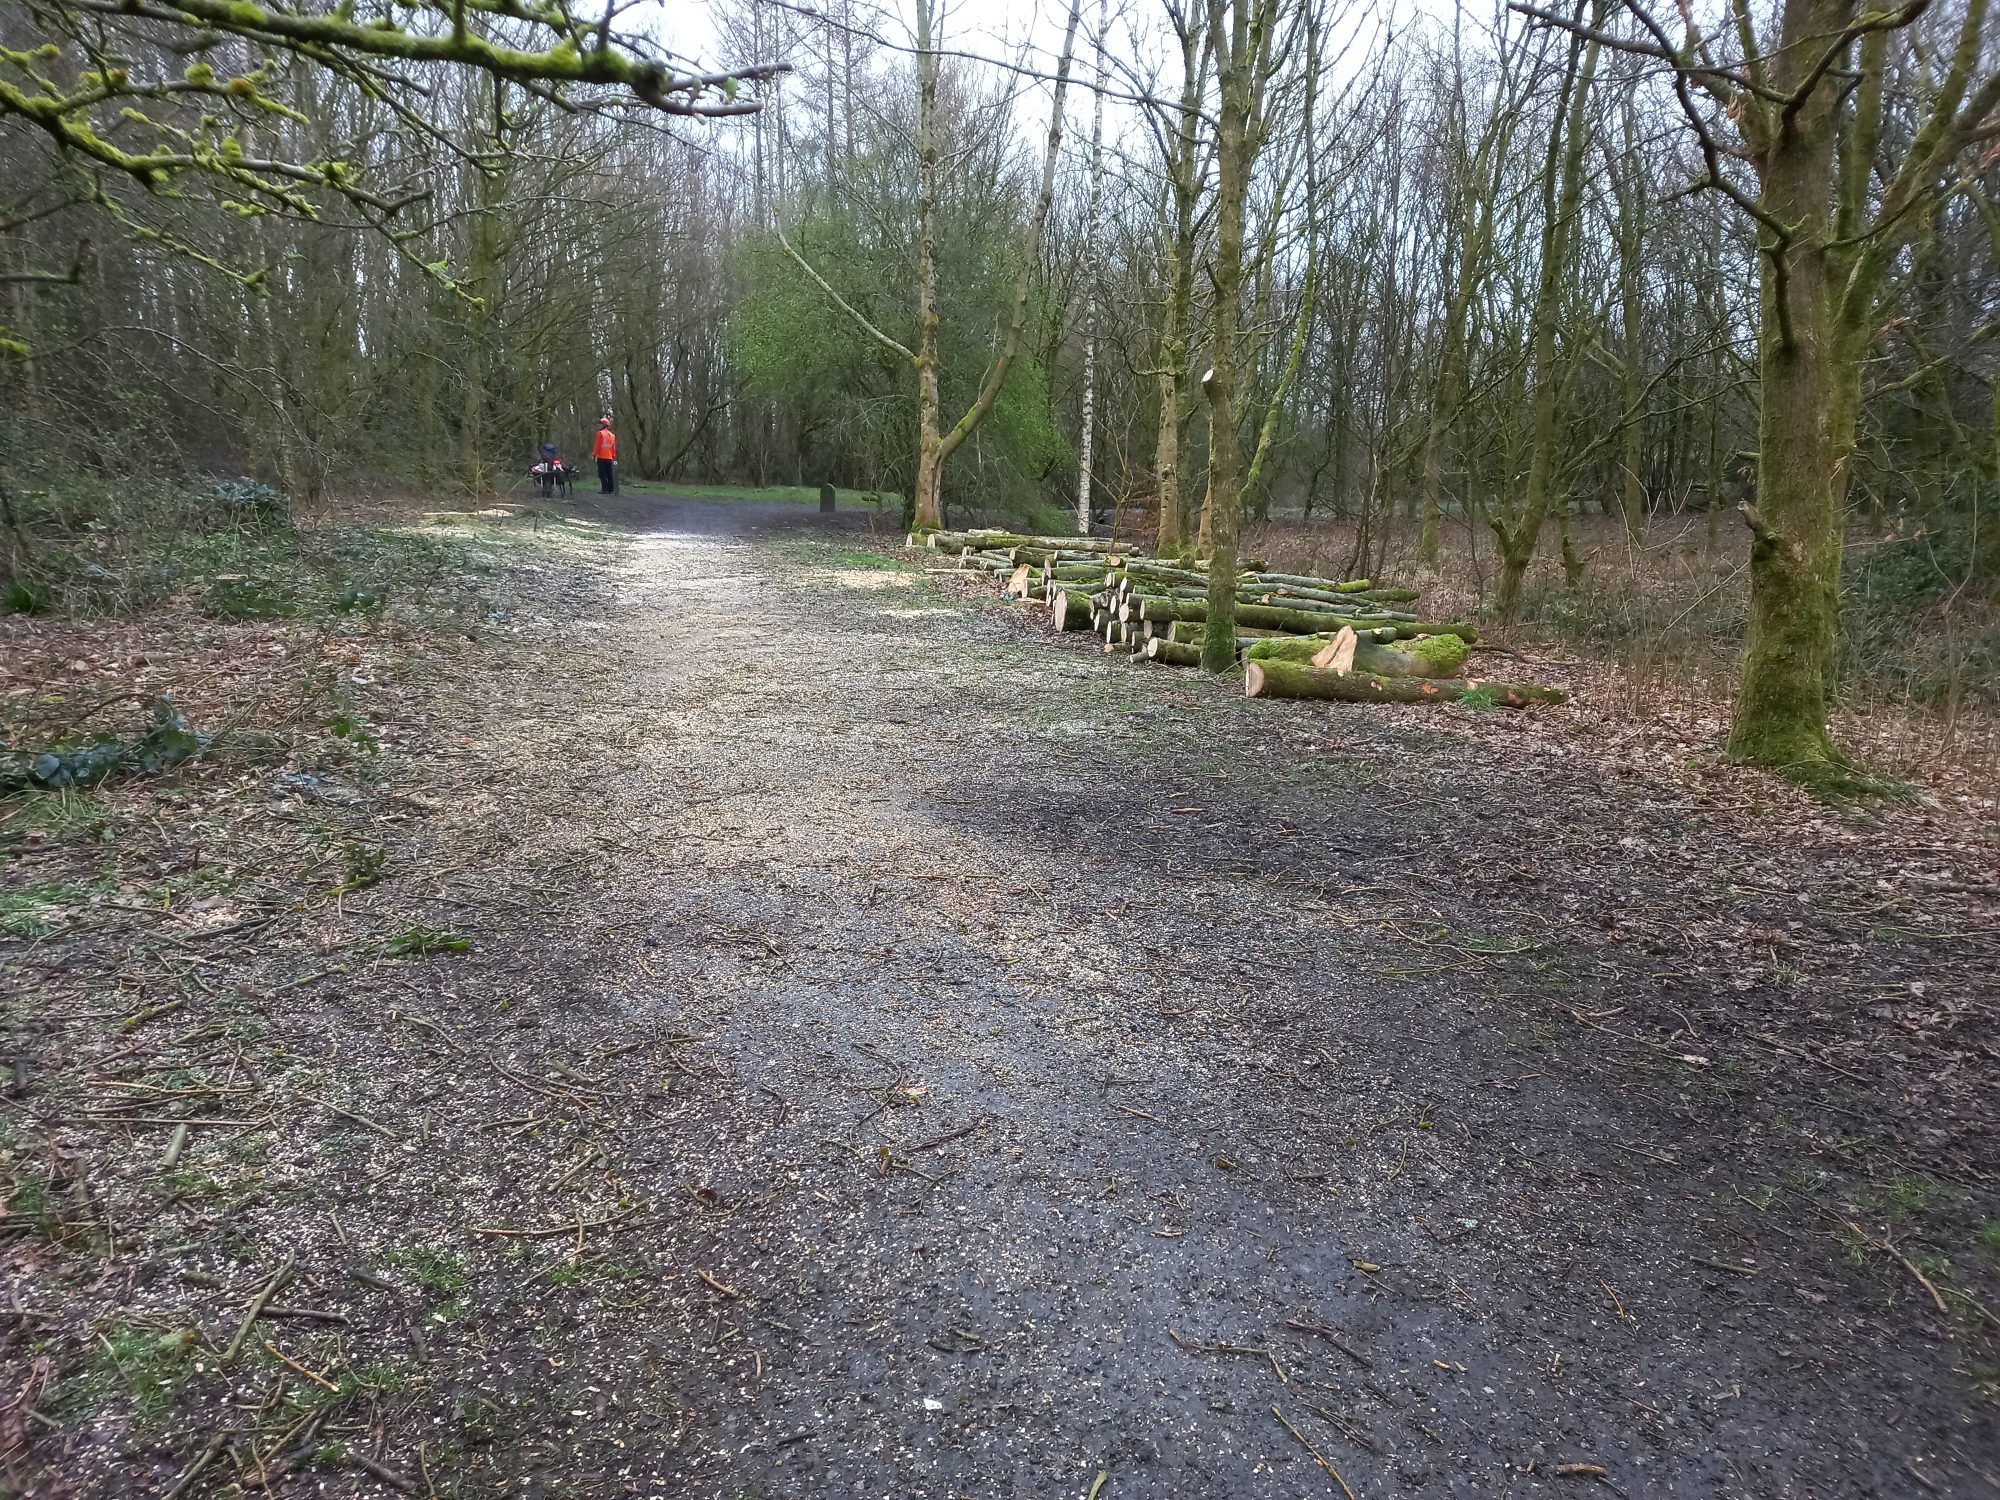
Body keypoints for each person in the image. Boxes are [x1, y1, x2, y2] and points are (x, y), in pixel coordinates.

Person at [592, 417, 618, 494]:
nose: (598, 425)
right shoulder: (612, 435)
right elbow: (613, 447)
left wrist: (594, 455)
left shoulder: (600, 434)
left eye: (600, 424)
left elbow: (597, 446)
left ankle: (604, 489)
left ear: (603, 425)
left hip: (601, 456)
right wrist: (613, 455)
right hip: (609, 457)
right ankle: (611, 489)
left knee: (602, 474)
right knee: (609, 474)